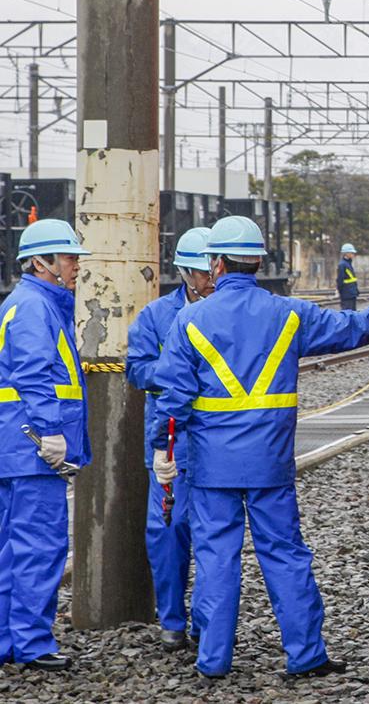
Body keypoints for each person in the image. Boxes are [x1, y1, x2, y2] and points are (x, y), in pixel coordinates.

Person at [148, 216, 369, 680]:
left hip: (213, 466)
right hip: (271, 462)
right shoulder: (290, 313)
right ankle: (306, 654)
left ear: (215, 263)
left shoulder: (189, 319)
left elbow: (170, 397)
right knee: (285, 554)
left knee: (216, 558)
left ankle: (213, 660)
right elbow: (353, 328)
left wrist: (162, 450)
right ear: (257, 261)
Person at [0, 219, 92, 672]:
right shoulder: (36, 307)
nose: (76, 266)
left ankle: (7, 642)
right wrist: (51, 431)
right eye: (69, 257)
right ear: (42, 262)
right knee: (39, 546)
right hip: (34, 448)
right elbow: (35, 375)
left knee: (12, 549)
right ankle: (33, 645)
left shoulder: (31, 303)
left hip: (16, 447)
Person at [125, 226, 215, 651]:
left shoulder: (227, 311)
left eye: (213, 269)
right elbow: (136, 369)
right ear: (183, 271)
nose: (209, 279)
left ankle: (206, 622)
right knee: (168, 530)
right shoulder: (157, 316)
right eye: (200, 272)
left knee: (214, 533)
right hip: (170, 442)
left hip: (216, 440)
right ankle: (173, 620)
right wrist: (176, 372)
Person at [336, 244, 359, 311]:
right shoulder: (342, 265)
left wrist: (356, 290)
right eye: (351, 253)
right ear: (346, 253)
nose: (353, 254)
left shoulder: (348, 264)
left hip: (351, 293)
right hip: (346, 294)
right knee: (347, 313)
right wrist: (339, 290)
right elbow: (340, 280)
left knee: (353, 313)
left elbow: (352, 279)